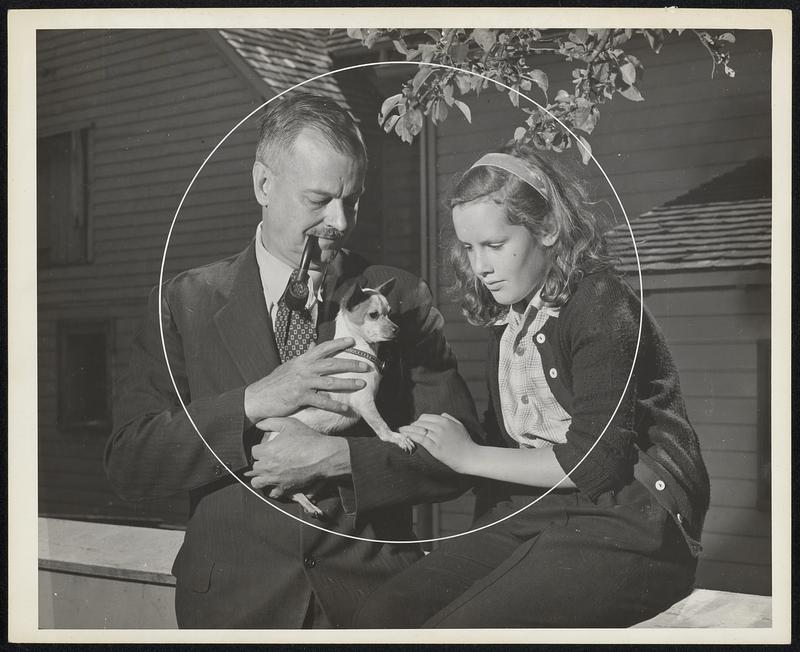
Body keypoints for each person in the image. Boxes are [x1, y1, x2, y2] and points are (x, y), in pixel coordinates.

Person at [105, 92, 480, 629]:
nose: (341, 220)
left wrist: (340, 457)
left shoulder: (398, 297)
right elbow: (131, 462)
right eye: (319, 199)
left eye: (353, 199)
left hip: (376, 604)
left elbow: (461, 449)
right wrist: (256, 401)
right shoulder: (181, 303)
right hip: (234, 610)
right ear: (263, 184)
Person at [353, 141, 710, 628]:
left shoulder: (601, 303)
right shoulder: (510, 321)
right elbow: (508, 449)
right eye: (468, 247)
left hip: (632, 521)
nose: (479, 266)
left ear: (546, 229)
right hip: (542, 515)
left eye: (495, 246)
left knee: (459, 630)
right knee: (383, 614)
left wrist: (468, 455)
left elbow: (598, 464)